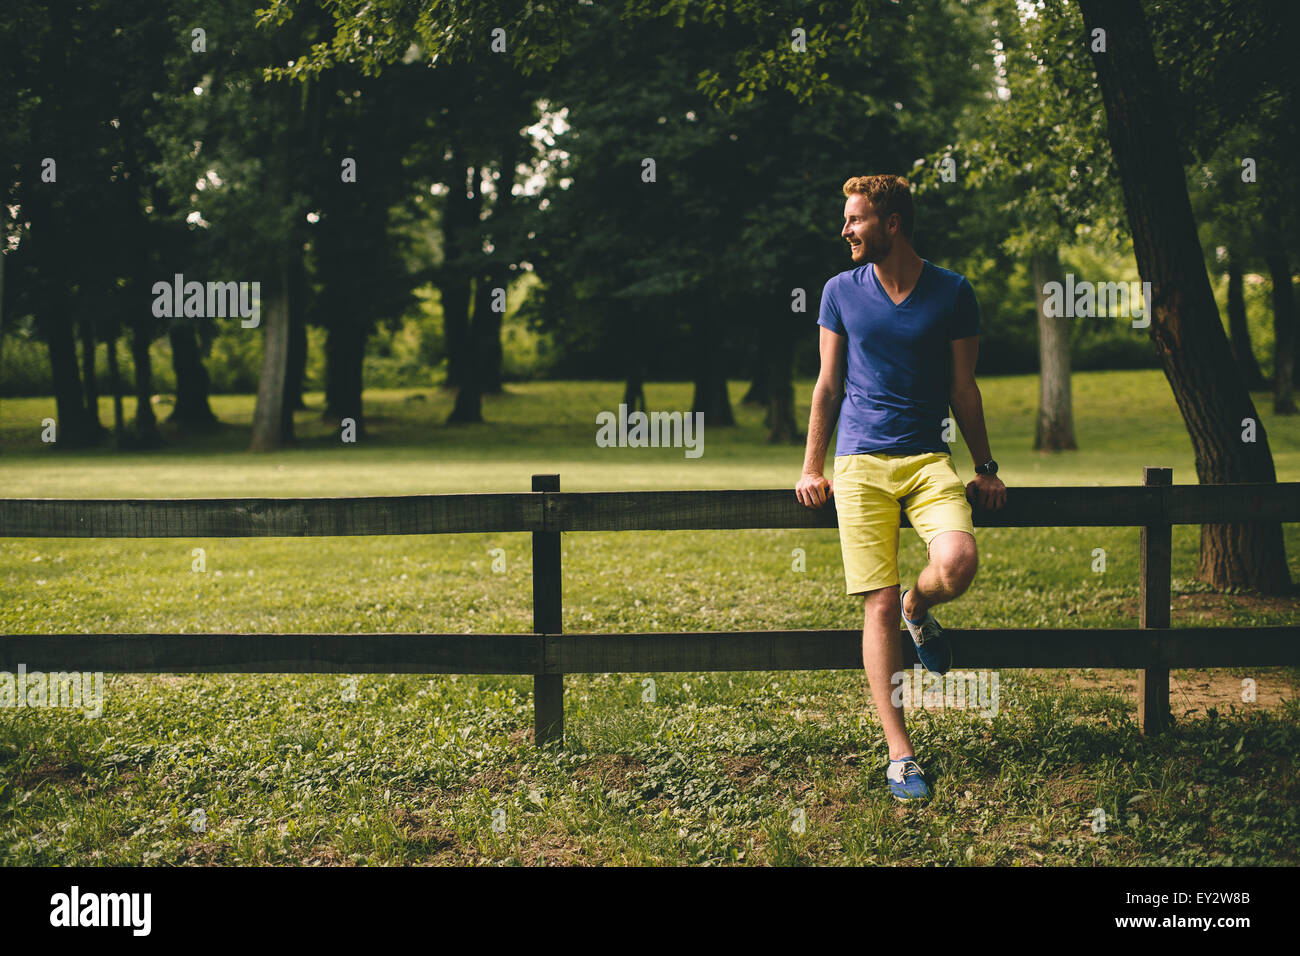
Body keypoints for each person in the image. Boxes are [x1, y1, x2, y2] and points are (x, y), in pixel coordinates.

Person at [795, 174, 1007, 802]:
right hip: (859, 463)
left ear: (891, 223)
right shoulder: (839, 292)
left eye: (855, 219)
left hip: (926, 460)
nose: (845, 230)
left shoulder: (952, 293)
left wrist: (986, 467)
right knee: (876, 604)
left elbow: (963, 388)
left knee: (958, 562)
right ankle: (900, 753)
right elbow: (828, 385)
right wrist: (813, 466)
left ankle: (922, 607)